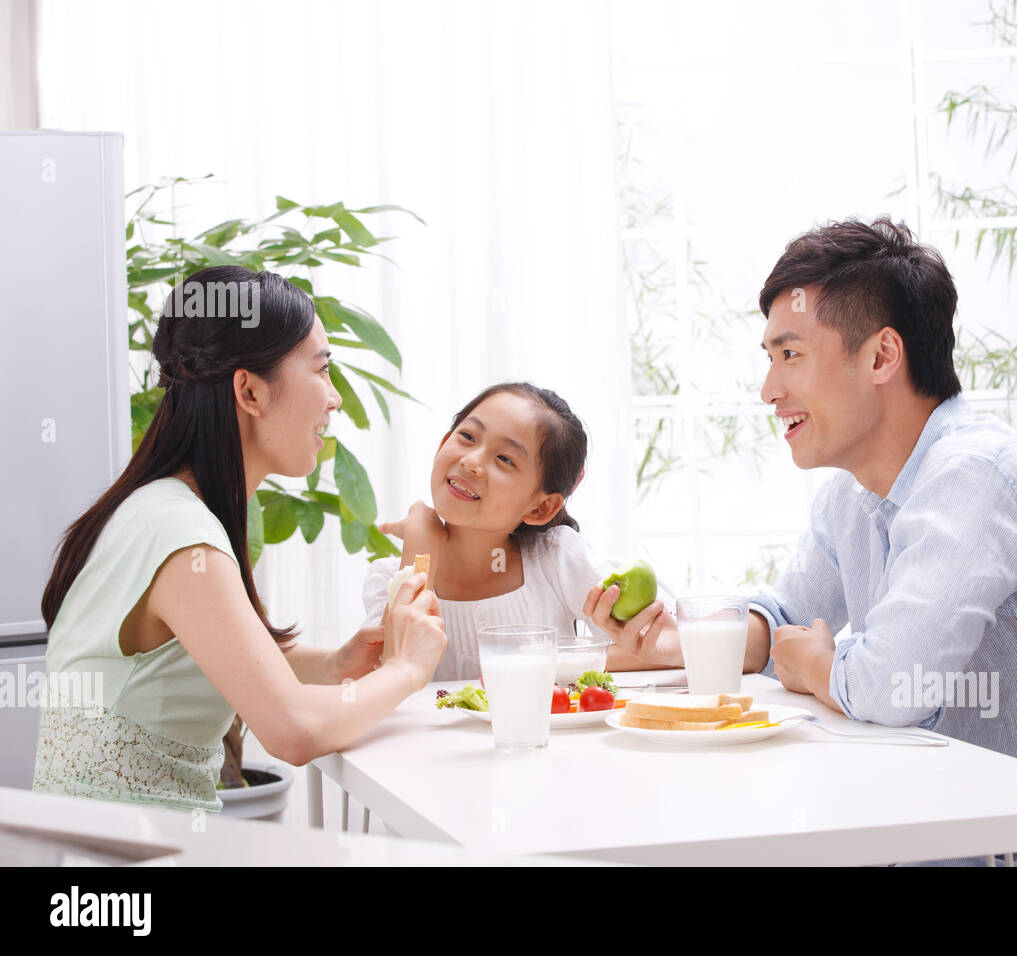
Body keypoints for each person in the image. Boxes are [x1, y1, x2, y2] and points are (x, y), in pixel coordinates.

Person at [586, 217, 1017, 865]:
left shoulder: (974, 474)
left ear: (882, 356)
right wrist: (674, 641)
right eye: (770, 359)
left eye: (791, 355)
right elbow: (783, 620)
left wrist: (814, 666)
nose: (769, 391)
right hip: (924, 833)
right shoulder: (851, 494)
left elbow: (894, 688)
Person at [33, 267, 447, 814]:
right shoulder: (182, 537)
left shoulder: (157, 507)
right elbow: (294, 732)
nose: (335, 399)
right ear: (249, 390)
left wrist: (331, 666)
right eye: (322, 371)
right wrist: (408, 669)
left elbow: (182, 656)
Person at [363, 382, 665, 679]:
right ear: (443, 444)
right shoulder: (387, 578)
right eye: (467, 436)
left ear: (540, 507)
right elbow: (393, 669)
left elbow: (654, 647)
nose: (471, 462)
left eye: (505, 459)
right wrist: (421, 541)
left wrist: (541, 663)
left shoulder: (555, 559)